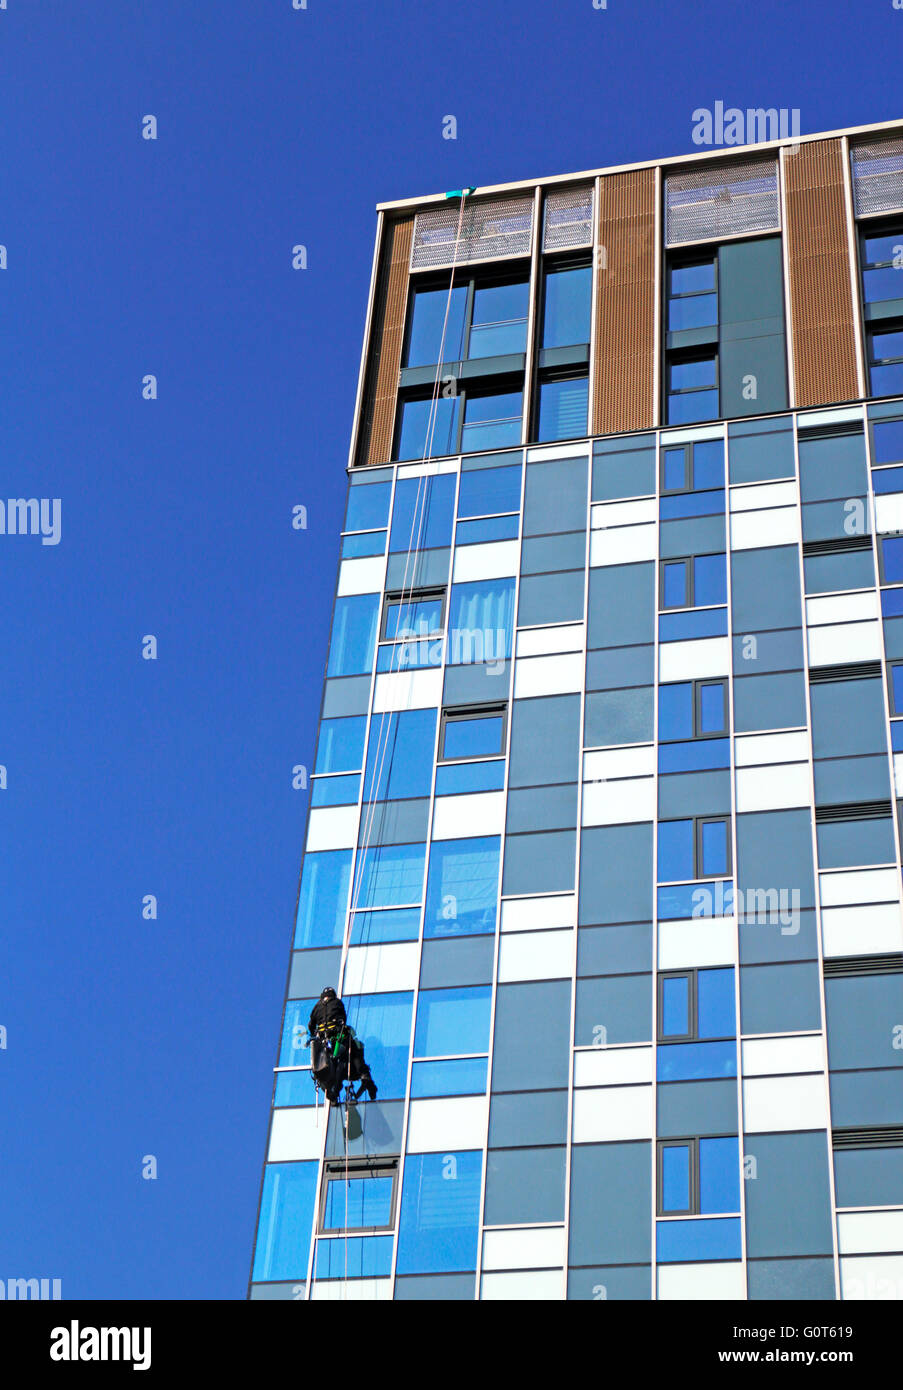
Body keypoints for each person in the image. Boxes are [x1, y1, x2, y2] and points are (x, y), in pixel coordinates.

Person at [307, 987, 378, 1103]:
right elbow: (343, 1018)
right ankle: (364, 1076)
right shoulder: (337, 1002)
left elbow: (311, 1025)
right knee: (348, 1054)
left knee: (339, 1060)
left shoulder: (317, 1007)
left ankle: (335, 1090)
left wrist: (314, 1033)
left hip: (325, 1040)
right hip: (338, 1036)